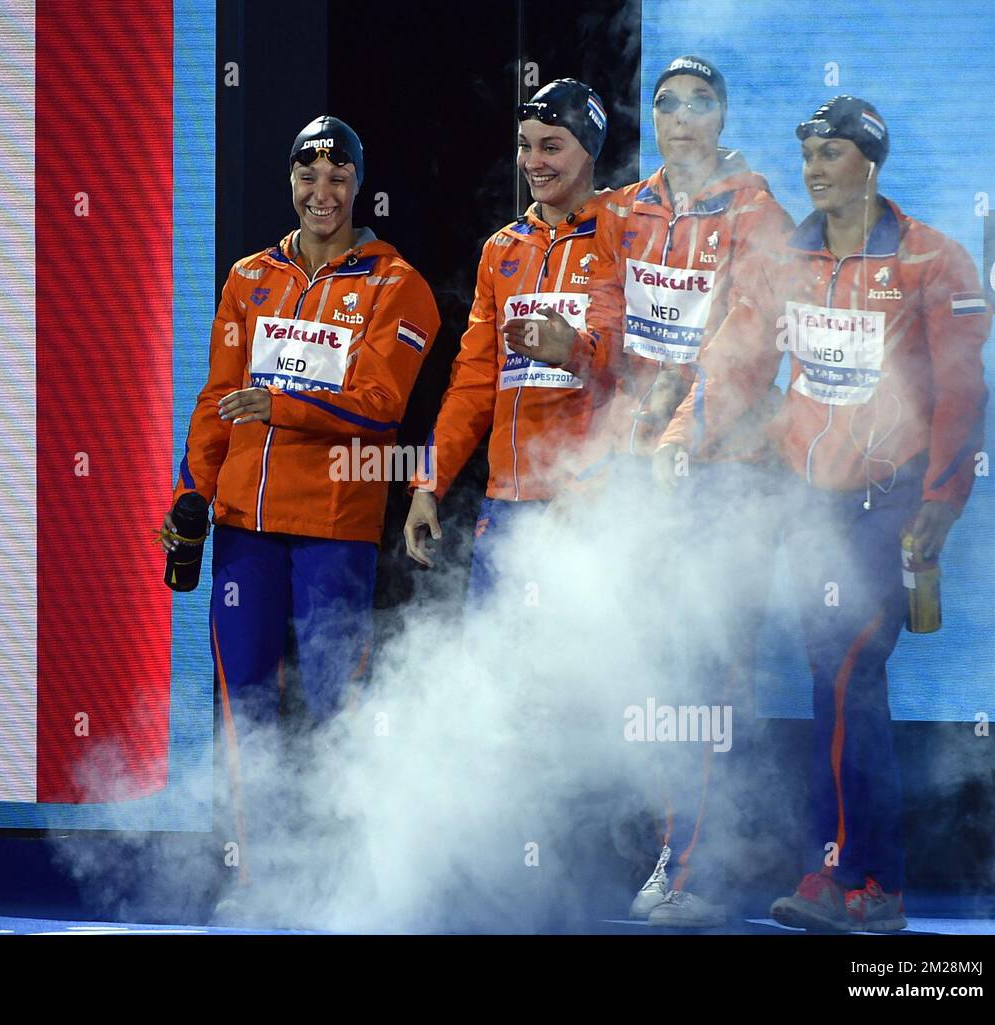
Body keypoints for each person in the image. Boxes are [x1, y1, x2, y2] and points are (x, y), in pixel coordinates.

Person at [661, 96, 991, 931]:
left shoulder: (931, 259)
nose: (814, 167)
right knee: (837, 685)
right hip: (807, 508)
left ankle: (854, 882)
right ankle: (856, 879)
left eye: (834, 152)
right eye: (808, 151)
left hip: (887, 510)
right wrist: (675, 437)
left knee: (846, 676)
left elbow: (960, 395)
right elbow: (740, 363)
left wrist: (942, 506)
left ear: (871, 164)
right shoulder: (786, 257)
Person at [160, 115, 440, 913]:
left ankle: (351, 882)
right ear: (290, 181)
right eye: (308, 175)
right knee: (242, 697)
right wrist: (191, 492)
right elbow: (219, 398)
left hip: (332, 527)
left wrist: (279, 403)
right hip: (246, 526)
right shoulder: (251, 274)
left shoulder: (396, 283)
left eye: (339, 176)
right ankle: (261, 881)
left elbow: (380, 406)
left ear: (359, 184)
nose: (323, 192)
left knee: (335, 704)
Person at [584, 55, 793, 928]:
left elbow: (745, 350)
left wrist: (674, 438)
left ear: (721, 116)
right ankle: (684, 849)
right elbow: (603, 327)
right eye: (666, 103)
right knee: (655, 673)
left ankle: (697, 867)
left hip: (724, 479)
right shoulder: (624, 210)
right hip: (642, 472)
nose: (680, 118)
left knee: (702, 676)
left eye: (699, 103)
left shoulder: (759, 212)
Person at [402, 79, 613, 604]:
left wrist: (576, 350)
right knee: (494, 674)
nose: (533, 161)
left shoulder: (625, 234)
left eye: (551, 146)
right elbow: (473, 384)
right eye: (525, 145)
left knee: (574, 678)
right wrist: (428, 482)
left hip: (586, 501)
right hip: (506, 504)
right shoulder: (502, 249)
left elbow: (640, 375)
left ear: (590, 150)